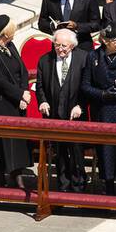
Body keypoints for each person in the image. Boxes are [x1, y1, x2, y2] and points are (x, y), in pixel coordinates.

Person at [80, 26, 116, 199]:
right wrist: (102, 94)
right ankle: (108, 184)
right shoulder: (93, 57)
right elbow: (85, 86)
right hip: (103, 110)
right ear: (105, 41)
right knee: (106, 148)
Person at [0, 15, 32, 188]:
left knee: (15, 142)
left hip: (15, 101)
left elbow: (23, 71)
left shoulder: (11, 45)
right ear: (5, 33)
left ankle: (17, 177)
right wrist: (19, 95)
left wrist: (24, 91)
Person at [34, 29, 89, 192]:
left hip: (76, 112)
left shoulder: (83, 58)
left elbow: (87, 85)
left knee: (76, 149)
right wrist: (42, 101)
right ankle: (63, 183)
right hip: (54, 112)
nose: (60, 49)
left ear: (72, 45)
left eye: (64, 46)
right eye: (57, 45)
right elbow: (40, 86)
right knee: (60, 150)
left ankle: (79, 182)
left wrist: (81, 105)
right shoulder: (45, 60)